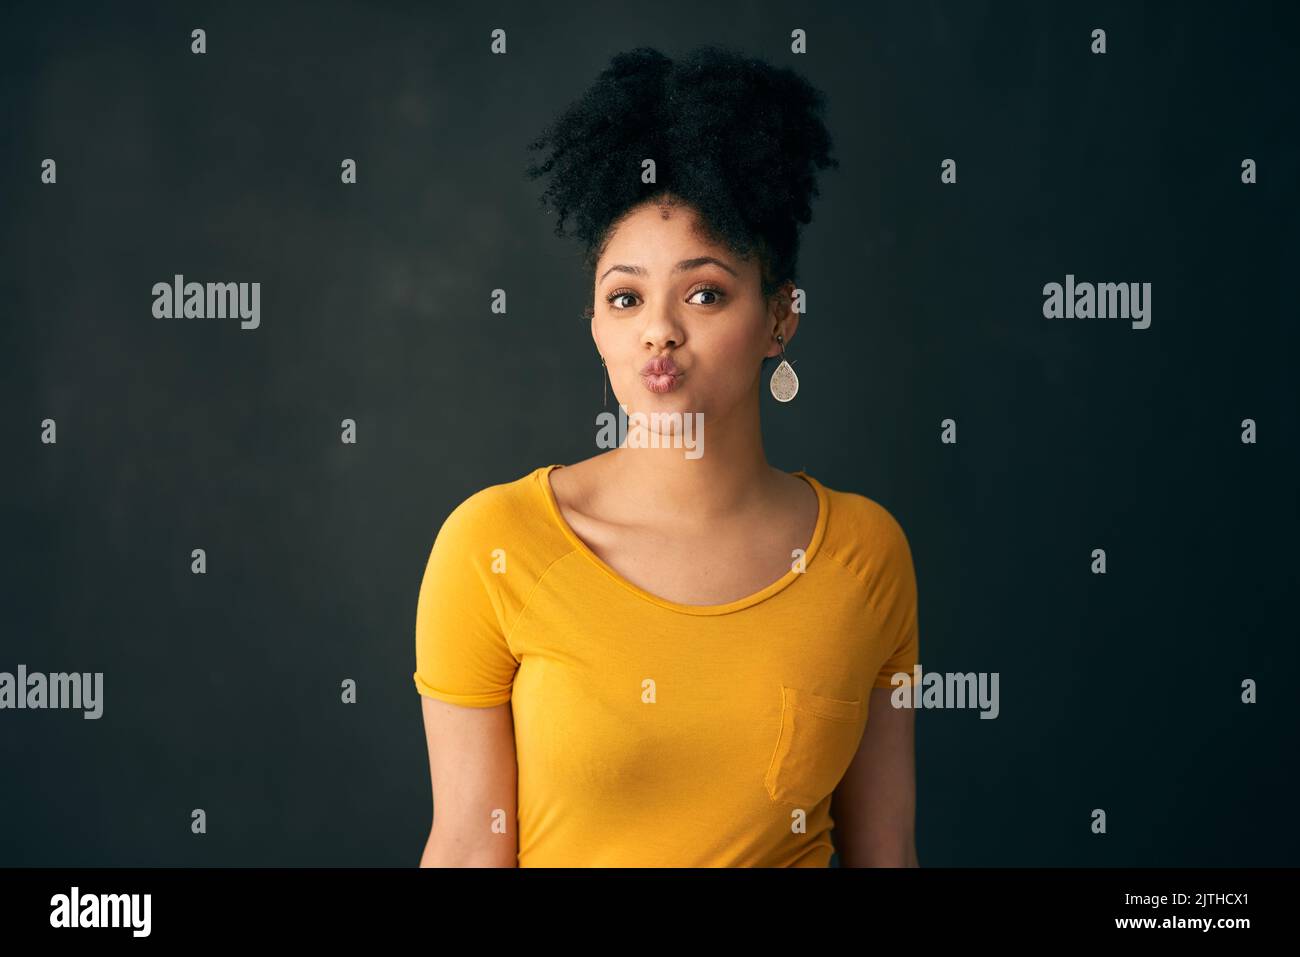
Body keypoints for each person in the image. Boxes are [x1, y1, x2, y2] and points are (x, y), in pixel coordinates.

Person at [414, 45, 920, 867]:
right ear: (596, 326)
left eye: (705, 291)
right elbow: (471, 847)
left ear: (780, 319)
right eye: (625, 296)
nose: (659, 328)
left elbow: (886, 850)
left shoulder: (868, 556)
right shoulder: (492, 545)